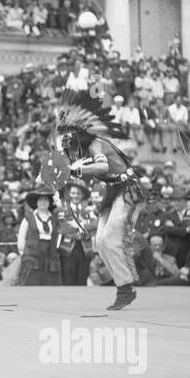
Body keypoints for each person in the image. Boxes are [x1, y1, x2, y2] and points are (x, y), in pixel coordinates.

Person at [55, 89, 144, 310]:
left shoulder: (95, 144)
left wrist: (76, 171)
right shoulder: (84, 151)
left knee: (111, 237)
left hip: (129, 190)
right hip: (115, 192)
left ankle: (126, 287)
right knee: (101, 242)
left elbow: (103, 165)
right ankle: (124, 286)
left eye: (69, 134)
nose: (67, 139)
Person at [16, 186, 62, 285]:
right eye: (40, 200)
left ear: (49, 202)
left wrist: (55, 249)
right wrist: (23, 254)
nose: (43, 202)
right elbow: (21, 238)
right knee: (31, 282)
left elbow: (58, 235)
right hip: (32, 256)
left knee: (50, 283)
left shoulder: (54, 219)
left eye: (46, 200)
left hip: (50, 256)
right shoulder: (28, 218)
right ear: (36, 202)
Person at [56, 180, 93, 286]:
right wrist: (79, 231)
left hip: (85, 249)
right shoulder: (63, 210)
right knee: (68, 277)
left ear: (82, 195)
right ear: (69, 194)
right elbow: (63, 228)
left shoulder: (89, 211)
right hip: (68, 249)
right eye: (73, 193)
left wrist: (82, 228)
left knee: (82, 277)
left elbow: (95, 225)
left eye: (79, 193)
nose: (76, 196)